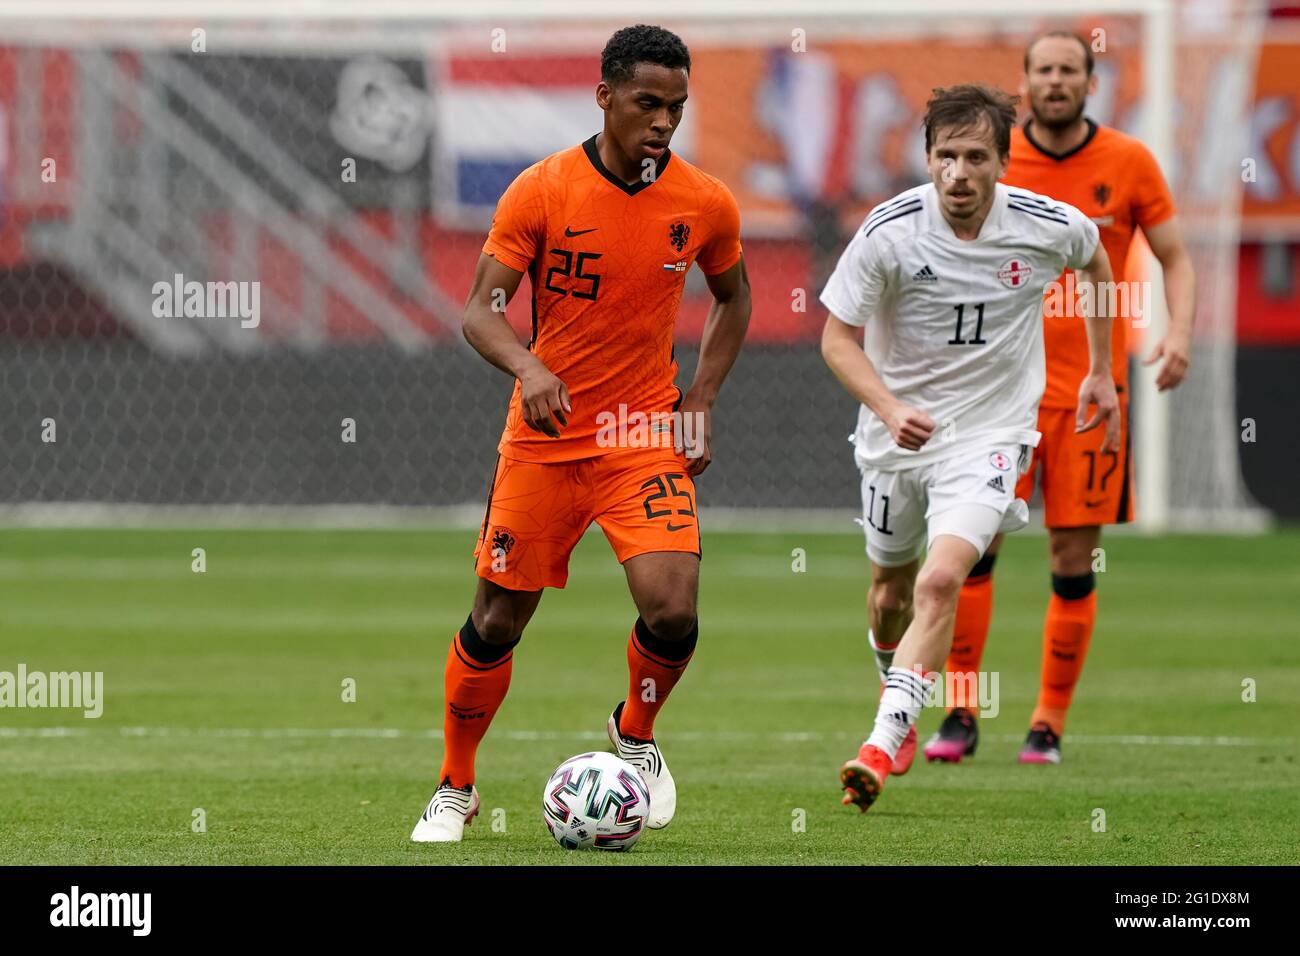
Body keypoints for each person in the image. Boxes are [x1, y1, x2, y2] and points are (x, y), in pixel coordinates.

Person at [410, 24, 751, 842]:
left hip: (643, 435)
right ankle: (456, 786)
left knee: (672, 608)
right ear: (604, 98)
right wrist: (528, 370)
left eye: (676, 106)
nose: (663, 122)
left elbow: (735, 297)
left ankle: (634, 739)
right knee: (496, 620)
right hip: (546, 440)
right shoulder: (541, 190)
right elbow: (479, 311)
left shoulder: (704, 202)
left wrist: (700, 395)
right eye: (647, 104)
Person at [820, 83, 1118, 812]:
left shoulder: (1049, 225)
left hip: (990, 436)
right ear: (926, 158)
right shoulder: (888, 231)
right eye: (945, 156)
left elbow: (1098, 265)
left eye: (975, 156)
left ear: (1002, 163)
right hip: (895, 441)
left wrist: (1104, 373)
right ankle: (896, 681)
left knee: (939, 582)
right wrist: (888, 407)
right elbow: (836, 338)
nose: (958, 172)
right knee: (890, 595)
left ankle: (883, 741)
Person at [924, 31, 1195, 766]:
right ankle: (959, 713)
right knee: (973, 549)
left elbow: (1173, 255)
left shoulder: (1129, 162)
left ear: (1089, 82)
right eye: (1042, 69)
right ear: (1025, 80)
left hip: (1089, 392)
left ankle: (1047, 723)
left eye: (1068, 70)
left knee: (1073, 559)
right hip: (995, 394)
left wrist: (1179, 335)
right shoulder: (989, 161)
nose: (1054, 81)